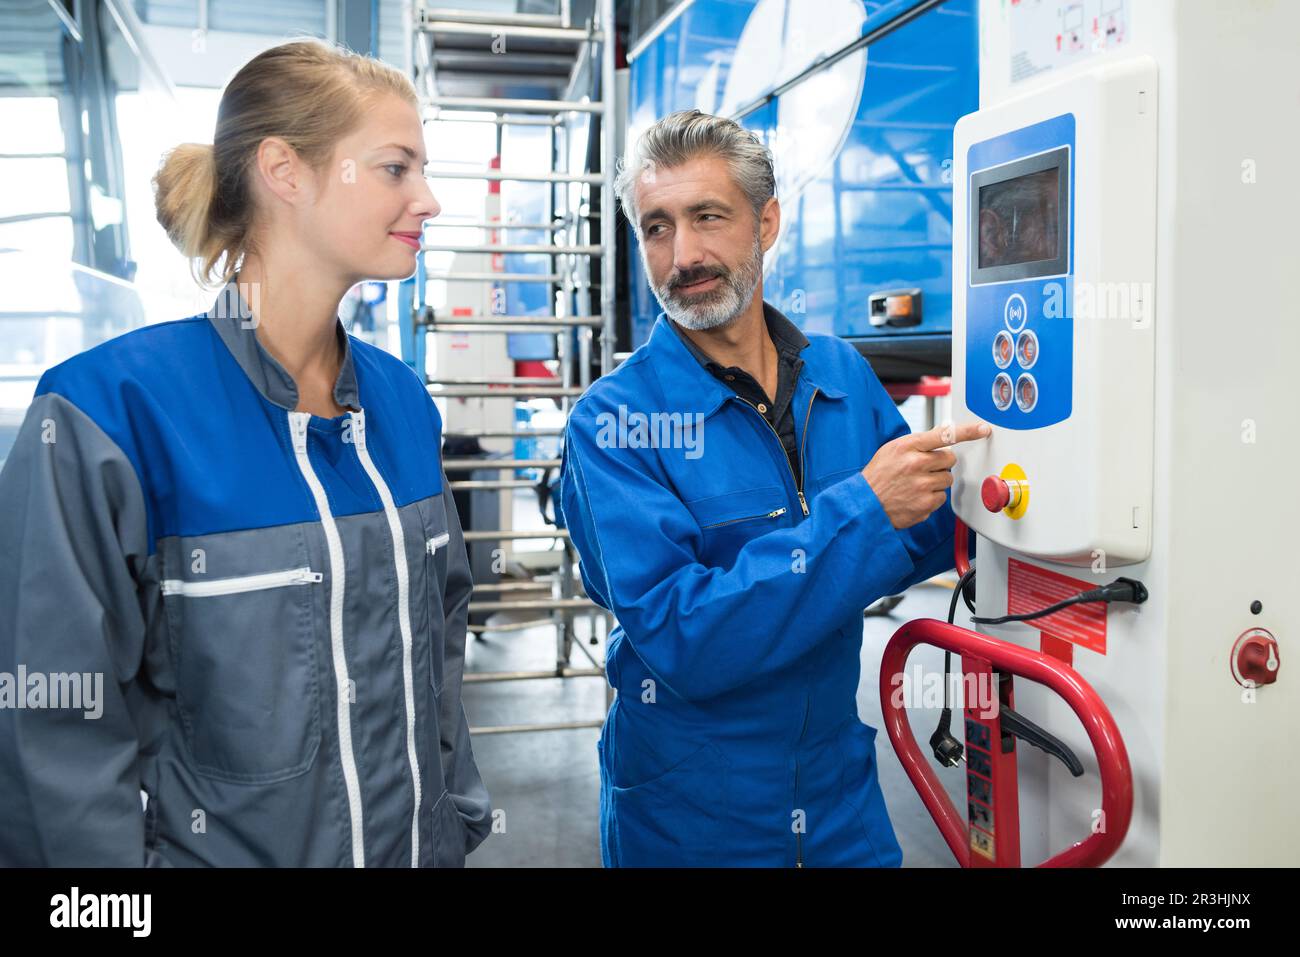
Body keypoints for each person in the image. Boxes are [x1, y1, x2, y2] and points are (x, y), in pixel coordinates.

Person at [0, 39, 490, 867]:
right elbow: (50, 742)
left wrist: (457, 821)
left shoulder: (402, 404)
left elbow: (439, 650)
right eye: (395, 168)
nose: (429, 199)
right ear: (286, 171)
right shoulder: (104, 415)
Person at [559, 110, 989, 867]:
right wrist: (863, 509)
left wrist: (1001, 498)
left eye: (707, 217)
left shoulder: (840, 375)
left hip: (838, 795)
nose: (682, 254)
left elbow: (916, 534)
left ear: (767, 223)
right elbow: (683, 637)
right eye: (657, 227)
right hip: (692, 813)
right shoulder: (614, 423)